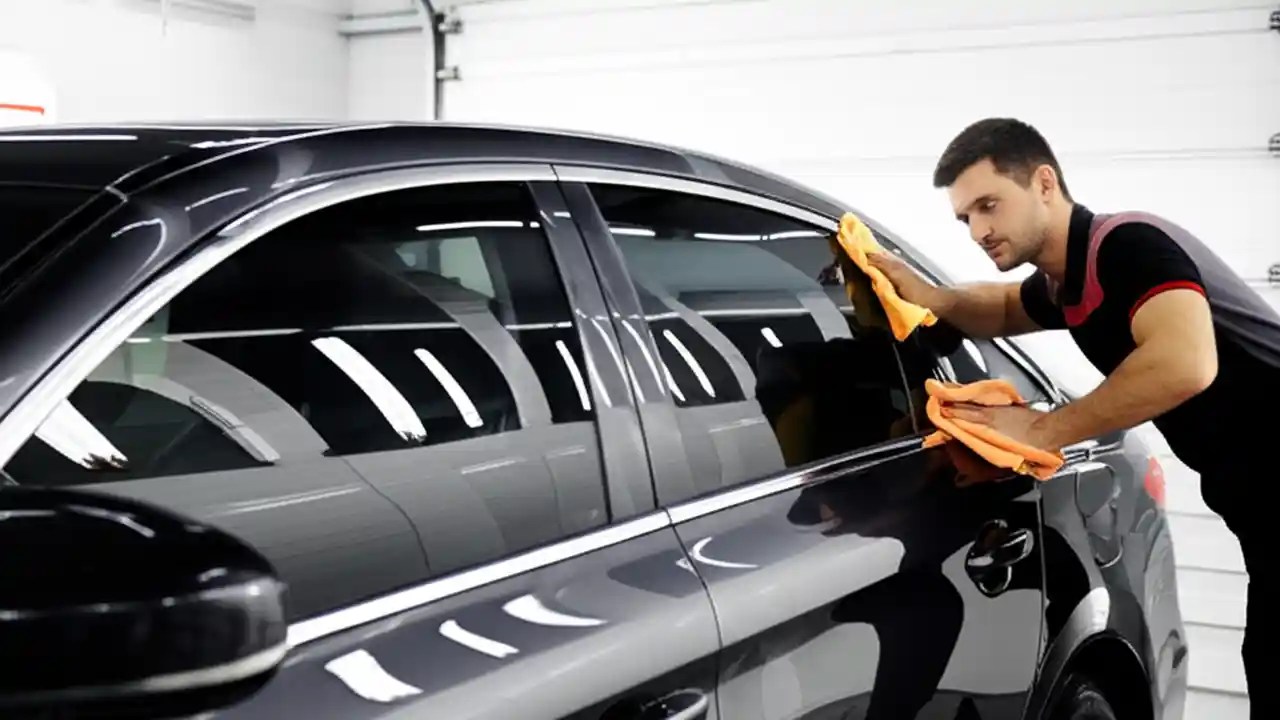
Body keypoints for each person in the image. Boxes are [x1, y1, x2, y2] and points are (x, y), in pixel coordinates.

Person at [867, 117, 1280, 717]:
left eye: (989, 205)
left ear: (1043, 183)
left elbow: (1187, 362)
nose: (979, 231)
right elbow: (1002, 307)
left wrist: (1043, 429)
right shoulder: (1068, 278)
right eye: (965, 218)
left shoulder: (1127, 248)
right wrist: (934, 299)